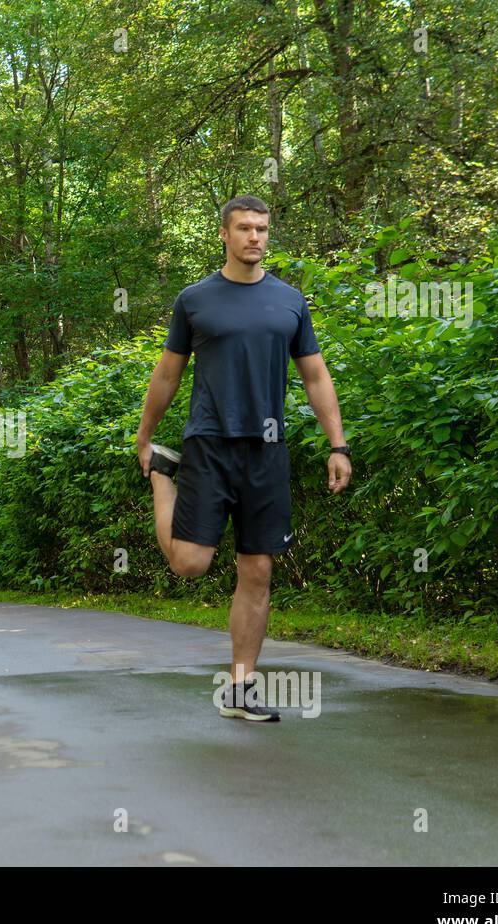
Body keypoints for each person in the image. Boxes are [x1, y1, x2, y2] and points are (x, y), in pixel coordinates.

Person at [135, 195, 352, 721]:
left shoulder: (289, 302)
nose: (255, 237)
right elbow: (168, 373)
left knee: (257, 569)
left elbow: (315, 376)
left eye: (262, 229)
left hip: (268, 451)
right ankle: (166, 477)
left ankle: (240, 688)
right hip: (208, 444)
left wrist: (337, 445)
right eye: (245, 229)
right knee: (189, 565)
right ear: (224, 235)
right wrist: (146, 438)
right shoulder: (196, 300)